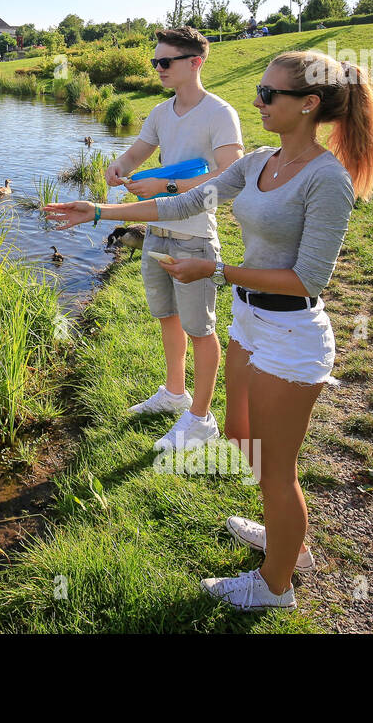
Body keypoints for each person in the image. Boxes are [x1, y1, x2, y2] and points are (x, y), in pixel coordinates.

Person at [45, 50, 373, 611]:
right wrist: (98, 212)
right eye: (258, 90)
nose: (257, 101)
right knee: (240, 437)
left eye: (269, 94)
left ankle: (276, 584)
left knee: (279, 472)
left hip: (291, 331)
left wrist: (218, 270)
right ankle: (287, 538)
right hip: (249, 321)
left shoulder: (328, 180)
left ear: (308, 104)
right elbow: (185, 201)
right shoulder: (258, 162)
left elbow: (306, 279)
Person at [105, 27, 243, 451]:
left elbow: (229, 177)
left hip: (195, 237)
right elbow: (136, 153)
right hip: (158, 233)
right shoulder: (162, 113)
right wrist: (117, 165)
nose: (158, 69)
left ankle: (200, 419)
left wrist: (166, 188)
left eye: (165, 62)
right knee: (167, 318)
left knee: (200, 329)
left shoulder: (220, 113)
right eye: (155, 62)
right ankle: (174, 393)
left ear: (195, 62)